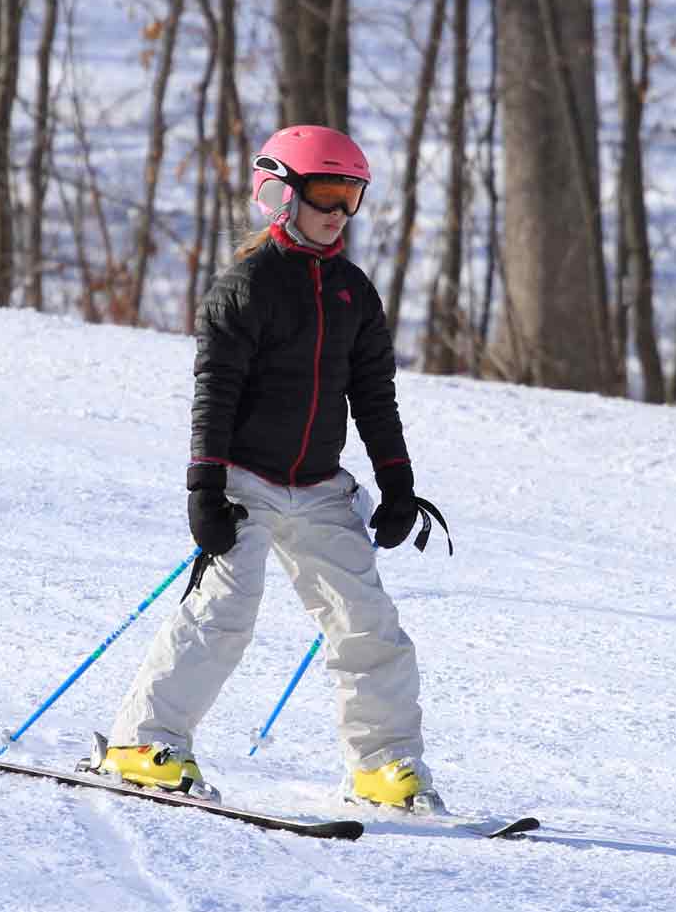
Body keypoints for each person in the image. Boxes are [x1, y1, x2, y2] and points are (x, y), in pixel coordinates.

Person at [91, 124, 444, 812]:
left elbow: (374, 395)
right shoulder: (247, 286)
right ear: (280, 193)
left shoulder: (355, 293)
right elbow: (214, 390)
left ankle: (384, 767)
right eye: (325, 194)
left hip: (318, 488)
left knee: (370, 626)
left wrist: (398, 486)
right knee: (223, 613)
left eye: (350, 196)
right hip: (244, 484)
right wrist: (205, 487)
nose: (338, 212)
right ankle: (145, 744)